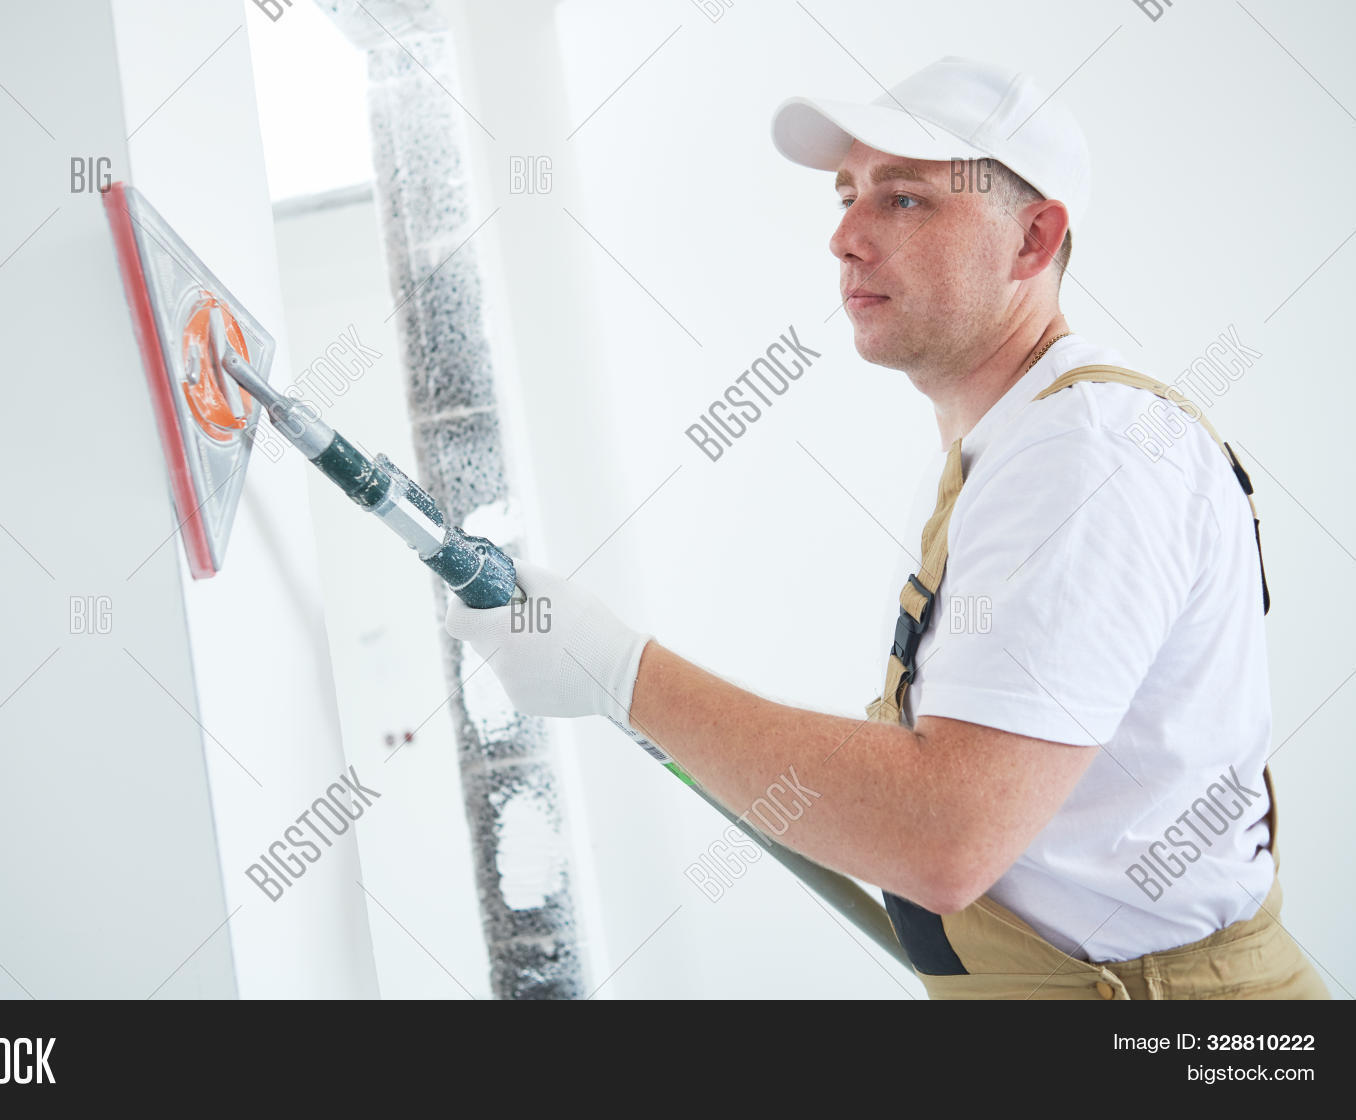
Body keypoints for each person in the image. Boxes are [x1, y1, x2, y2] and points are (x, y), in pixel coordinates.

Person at [445, 57, 1328, 1000]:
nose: (844, 236)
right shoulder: (1011, 450)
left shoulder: (1087, 456)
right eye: (847, 193)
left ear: (1033, 239)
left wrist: (621, 672)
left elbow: (944, 835)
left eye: (903, 200)